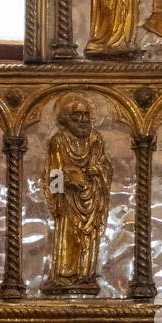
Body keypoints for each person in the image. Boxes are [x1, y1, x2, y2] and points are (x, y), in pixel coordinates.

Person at [43, 93, 112, 294]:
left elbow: (105, 166)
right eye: (77, 116)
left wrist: (97, 171)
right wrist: (65, 182)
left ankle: (85, 275)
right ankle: (65, 275)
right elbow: (53, 173)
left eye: (86, 115)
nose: (82, 120)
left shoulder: (95, 139)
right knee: (69, 234)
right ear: (66, 119)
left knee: (88, 236)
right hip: (68, 200)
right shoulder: (59, 141)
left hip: (92, 197)